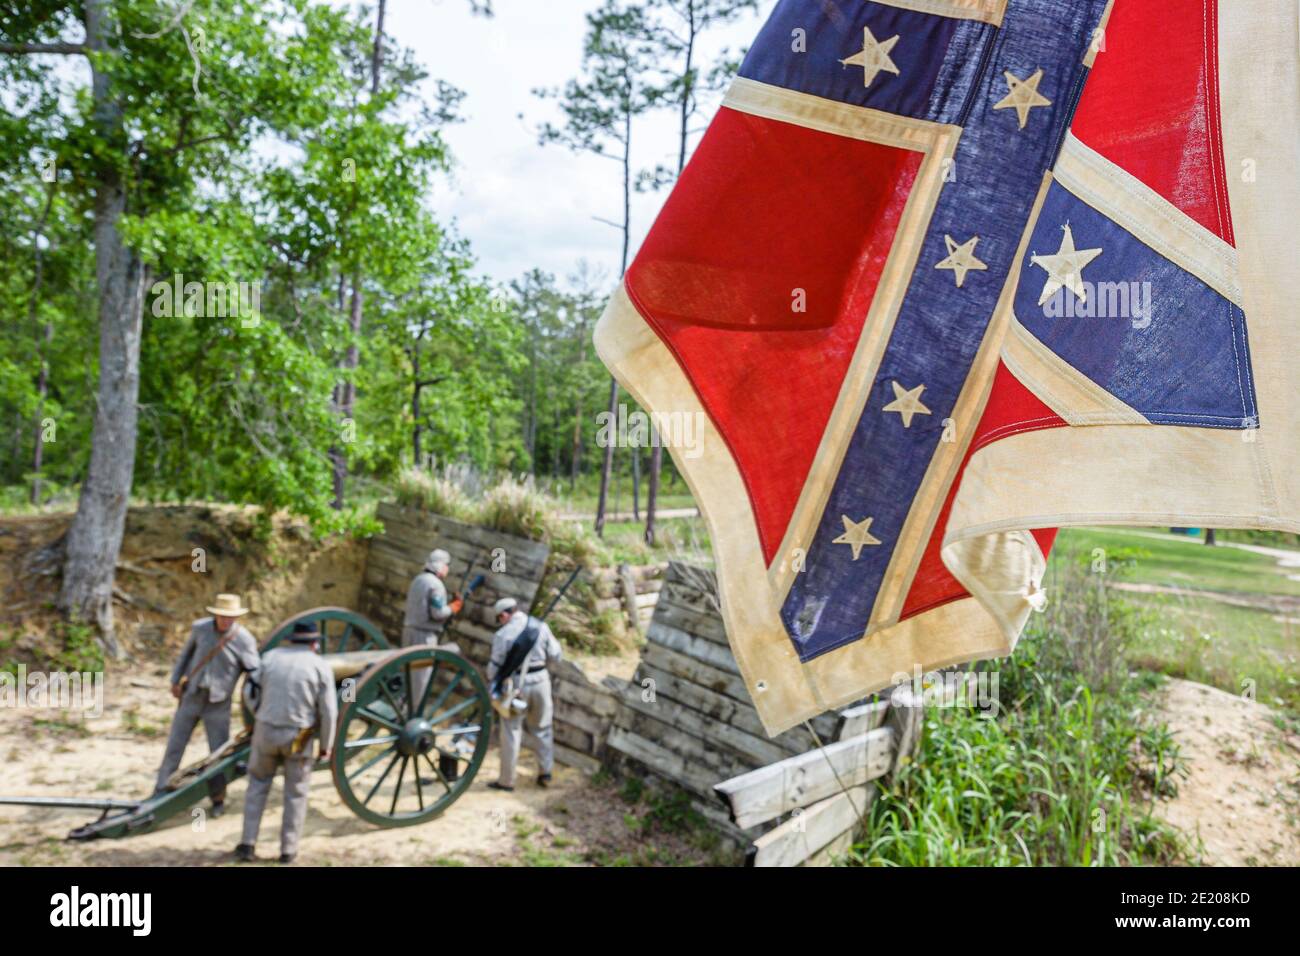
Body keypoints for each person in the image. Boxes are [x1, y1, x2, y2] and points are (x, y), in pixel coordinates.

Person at [236, 621, 337, 864]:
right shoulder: (320, 666)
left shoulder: (270, 657)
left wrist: (258, 712)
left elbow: (249, 689)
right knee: (295, 793)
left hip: (266, 730)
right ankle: (288, 850)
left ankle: (248, 844)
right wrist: (326, 745)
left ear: (292, 640)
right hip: (298, 735)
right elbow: (329, 711)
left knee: (257, 785)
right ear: (314, 644)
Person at [154, 593, 260, 817]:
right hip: (192, 696)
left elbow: (254, 673)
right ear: (215, 614)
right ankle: (160, 791)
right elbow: (185, 656)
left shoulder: (244, 640)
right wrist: (175, 681)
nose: (225, 621)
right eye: (222, 616)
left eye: (230, 617)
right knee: (175, 746)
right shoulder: (200, 628)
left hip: (218, 703)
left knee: (218, 754)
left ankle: (218, 799)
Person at [487, 597, 562, 791]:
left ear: (504, 615)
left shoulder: (503, 635)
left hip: (516, 686)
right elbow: (555, 654)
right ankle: (546, 772)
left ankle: (506, 780)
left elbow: (493, 669)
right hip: (541, 681)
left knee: (511, 731)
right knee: (543, 727)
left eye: (500, 618)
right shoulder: (540, 626)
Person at [403, 548, 463, 702]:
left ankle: (401, 705)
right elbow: (437, 613)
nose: (447, 569)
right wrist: (453, 607)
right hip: (424, 636)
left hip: (408, 631)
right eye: (447, 565)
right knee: (420, 679)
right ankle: (412, 713)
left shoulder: (418, 579)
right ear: (441, 565)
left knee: (407, 674)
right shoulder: (436, 585)